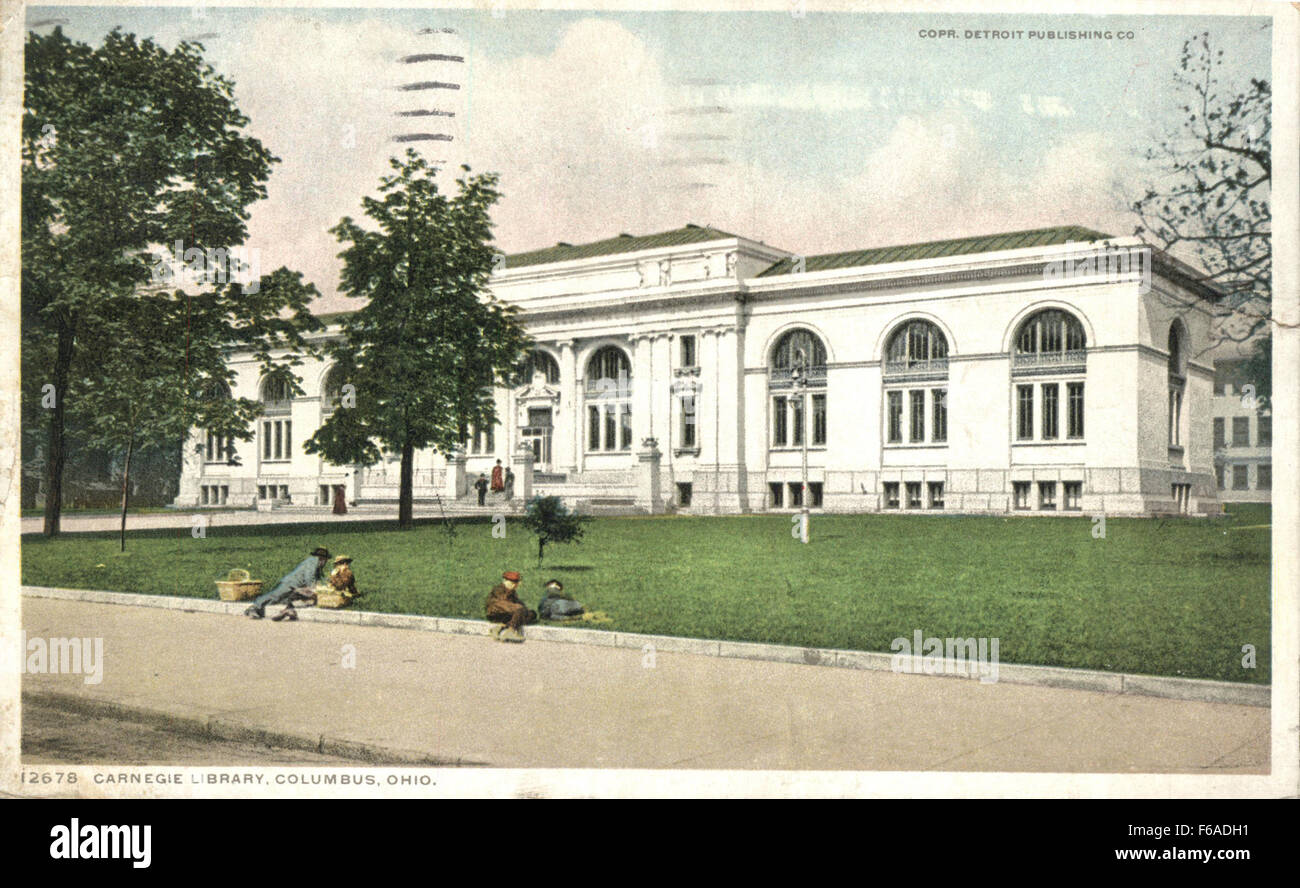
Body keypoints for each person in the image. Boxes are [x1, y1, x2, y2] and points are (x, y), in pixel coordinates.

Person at [246, 546, 330, 621]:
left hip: (296, 587)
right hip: (290, 584)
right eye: (326, 560)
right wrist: (314, 588)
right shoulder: (313, 562)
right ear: (323, 559)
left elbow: (320, 579)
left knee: (288, 599)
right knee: (275, 596)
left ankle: (288, 609)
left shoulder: (317, 565)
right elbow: (309, 578)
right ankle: (254, 608)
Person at [484, 570, 536, 642]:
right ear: (505, 581)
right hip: (496, 612)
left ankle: (500, 627)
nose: (514, 585)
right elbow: (504, 604)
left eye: (516, 583)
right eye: (512, 582)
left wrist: (526, 611)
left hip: (507, 613)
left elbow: (517, 603)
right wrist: (519, 608)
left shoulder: (512, 592)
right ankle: (511, 631)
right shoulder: (499, 589)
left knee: (531, 614)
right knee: (519, 609)